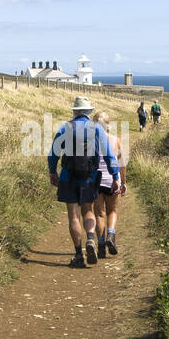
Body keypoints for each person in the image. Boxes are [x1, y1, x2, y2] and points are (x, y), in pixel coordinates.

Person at [48, 95, 120, 267]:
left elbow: (53, 154)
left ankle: (79, 255)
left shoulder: (65, 127)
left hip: (68, 176)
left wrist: (53, 172)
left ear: (75, 111)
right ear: (89, 112)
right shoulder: (97, 129)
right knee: (88, 211)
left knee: (73, 216)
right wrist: (115, 176)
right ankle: (90, 239)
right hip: (90, 177)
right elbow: (109, 155)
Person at [92, 110, 126, 257]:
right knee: (112, 210)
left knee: (99, 213)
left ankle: (100, 243)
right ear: (108, 124)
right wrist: (123, 182)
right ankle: (111, 236)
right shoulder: (115, 140)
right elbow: (122, 163)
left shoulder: (90, 141)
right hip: (112, 180)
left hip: (95, 181)